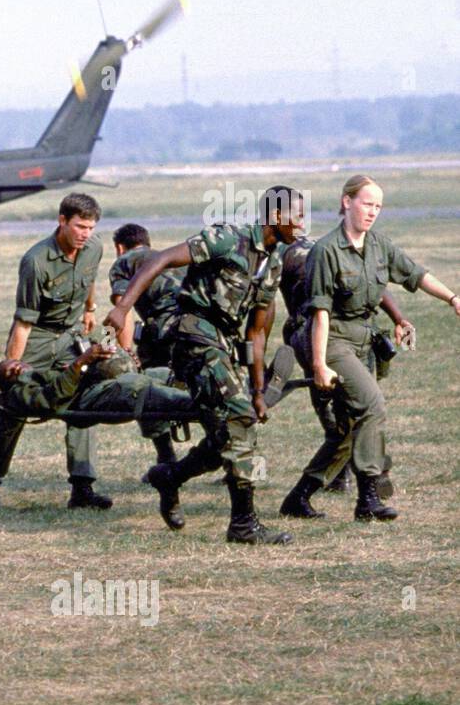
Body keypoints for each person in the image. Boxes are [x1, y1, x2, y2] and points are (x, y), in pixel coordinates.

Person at [104, 186, 305, 543]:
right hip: (193, 334)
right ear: (276, 216)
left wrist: (259, 390)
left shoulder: (272, 262)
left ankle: (170, 476)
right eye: (298, 216)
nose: (302, 225)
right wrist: (122, 308)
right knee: (240, 418)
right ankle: (243, 525)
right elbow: (161, 259)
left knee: (221, 438)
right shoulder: (229, 238)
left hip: (223, 343)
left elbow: (257, 332)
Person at [281, 175, 460, 522]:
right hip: (333, 340)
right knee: (372, 406)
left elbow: (416, 274)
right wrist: (319, 364)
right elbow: (319, 313)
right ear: (346, 202)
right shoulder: (325, 251)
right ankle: (368, 500)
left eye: (378, 206)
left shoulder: (379, 245)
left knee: (348, 428)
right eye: (367, 203)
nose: (373, 211)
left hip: (364, 339)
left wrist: (452, 298)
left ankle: (298, 497)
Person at [0, 193, 109, 510]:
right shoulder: (36, 261)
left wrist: (90, 309)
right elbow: (23, 323)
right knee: (18, 403)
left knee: (84, 398)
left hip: (71, 336)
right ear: (62, 221)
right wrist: (13, 365)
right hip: (37, 337)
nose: (85, 234)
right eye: (79, 226)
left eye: (91, 227)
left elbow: (89, 277)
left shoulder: (93, 248)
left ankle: (82, 488)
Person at [273, 221, 410, 515]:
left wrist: (398, 318)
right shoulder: (316, 250)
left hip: (339, 336)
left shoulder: (314, 251)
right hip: (319, 337)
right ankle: (366, 492)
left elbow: (371, 284)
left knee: (348, 422)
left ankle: (303, 496)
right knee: (354, 415)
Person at [109, 222, 187, 471]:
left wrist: (124, 354)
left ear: (119, 247)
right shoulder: (172, 258)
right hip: (196, 331)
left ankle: (166, 458)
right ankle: (228, 462)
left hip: (163, 333)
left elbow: (123, 312)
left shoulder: (125, 262)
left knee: (146, 390)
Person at [0, 342, 196, 430]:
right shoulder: (20, 392)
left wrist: (121, 360)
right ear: (7, 384)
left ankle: (207, 393)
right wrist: (80, 363)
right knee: (135, 385)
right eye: (9, 372)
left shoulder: (47, 372)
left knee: (163, 374)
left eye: (15, 363)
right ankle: (194, 405)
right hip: (83, 403)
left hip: (97, 387)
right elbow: (50, 400)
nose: (15, 367)